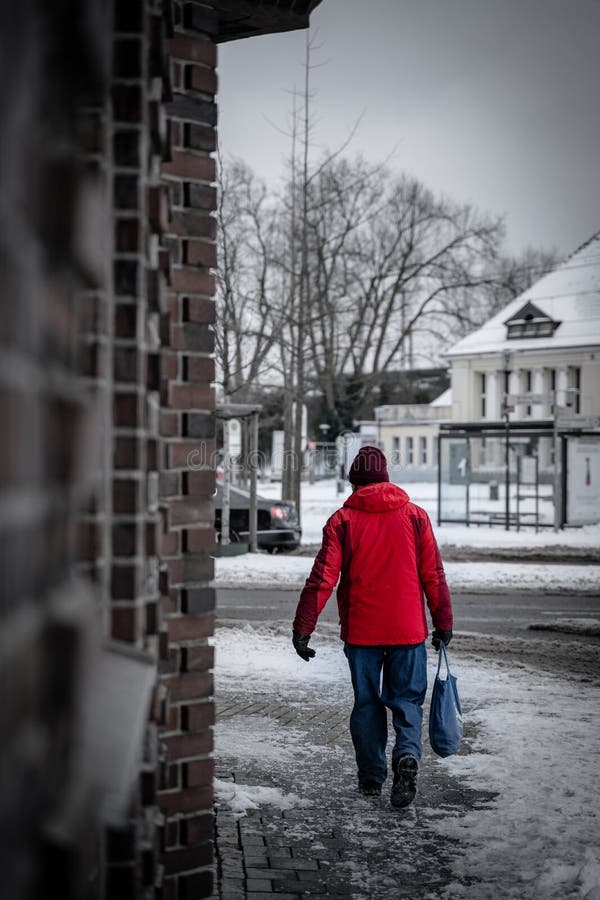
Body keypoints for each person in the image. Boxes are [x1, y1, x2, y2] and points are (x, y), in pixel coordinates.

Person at [292, 445, 453, 808]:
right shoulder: (415, 516)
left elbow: (322, 580)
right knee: (408, 701)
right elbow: (433, 574)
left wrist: (303, 628)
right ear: (385, 477)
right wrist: (443, 622)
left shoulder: (342, 521)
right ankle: (407, 756)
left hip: (362, 633)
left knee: (367, 704)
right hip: (408, 630)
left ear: (354, 482)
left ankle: (370, 779)